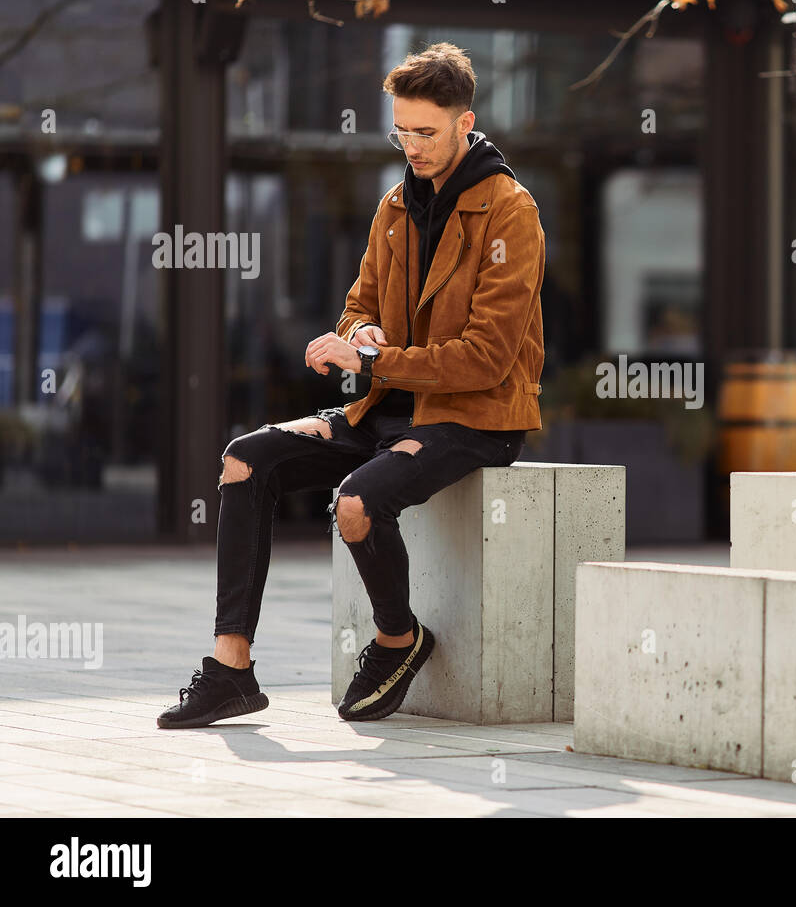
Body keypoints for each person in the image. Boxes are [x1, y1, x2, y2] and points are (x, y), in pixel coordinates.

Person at [158, 42, 545, 728]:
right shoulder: (396, 206)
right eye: (402, 130)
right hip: (381, 409)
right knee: (245, 459)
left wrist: (377, 359)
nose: (413, 145)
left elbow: (486, 358)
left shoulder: (510, 212)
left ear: (465, 122)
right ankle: (231, 670)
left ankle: (399, 641)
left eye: (427, 131)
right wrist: (362, 335)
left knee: (357, 503)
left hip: (472, 418)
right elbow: (359, 303)